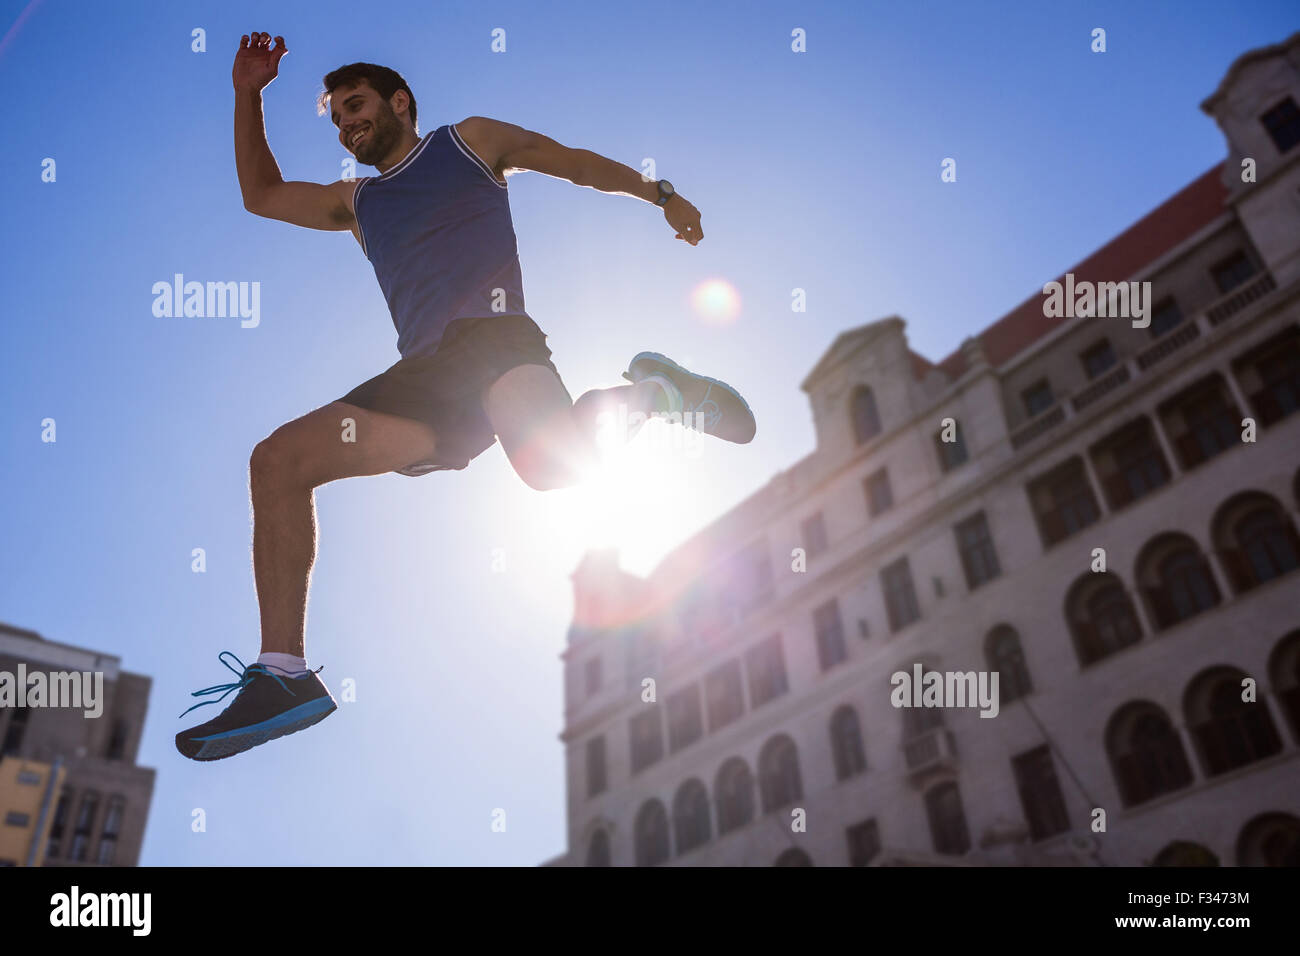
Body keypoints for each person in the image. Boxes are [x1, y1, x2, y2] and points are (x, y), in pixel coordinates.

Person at [175, 32, 756, 761]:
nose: (347, 124)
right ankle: (284, 675)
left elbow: (569, 163)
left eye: (356, 106)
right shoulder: (357, 202)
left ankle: (653, 395)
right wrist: (247, 94)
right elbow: (260, 196)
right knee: (277, 461)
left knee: (553, 468)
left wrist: (659, 193)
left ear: (399, 101)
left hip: (494, 340)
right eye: (337, 120)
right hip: (420, 382)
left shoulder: (468, 142)